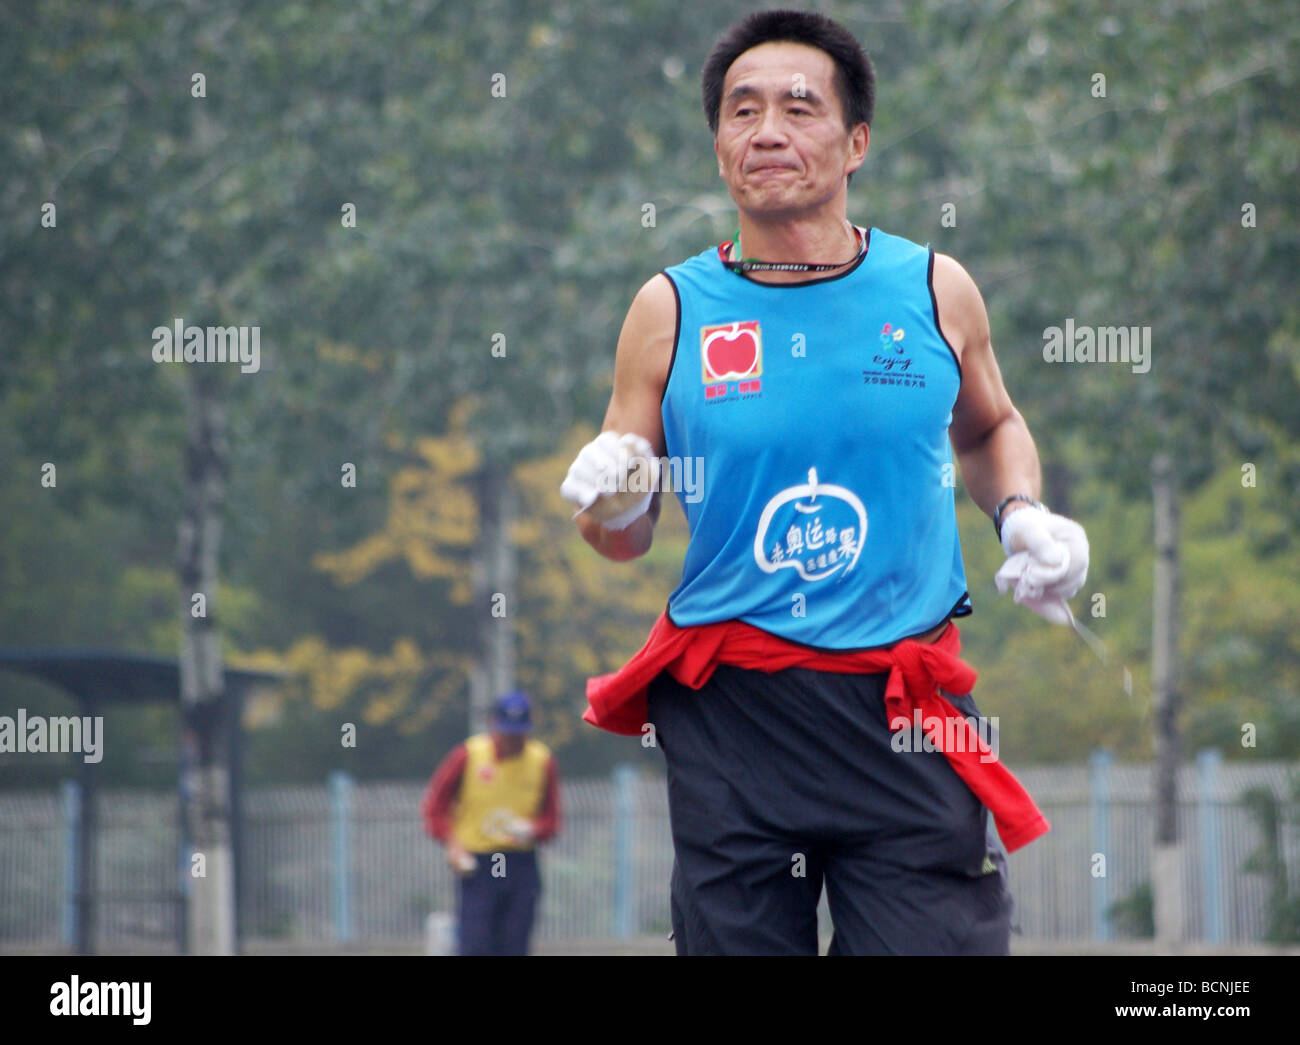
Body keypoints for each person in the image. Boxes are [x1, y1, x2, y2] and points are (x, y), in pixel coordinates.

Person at [560, 9, 1089, 955]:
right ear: (718, 143)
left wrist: (1023, 515)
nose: (766, 131)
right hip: (734, 712)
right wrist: (615, 498)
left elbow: (992, 426)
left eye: (798, 108)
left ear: (856, 143)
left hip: (908, 701)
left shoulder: (933, 288)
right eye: (740, 111)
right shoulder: (670, 309)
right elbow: (622, 529)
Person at [420, 691, 560, 955]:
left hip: (521, 864)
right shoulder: (468, 755)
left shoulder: (543, 761)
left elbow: (552, 822)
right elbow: (435, 807)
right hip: (478, 866)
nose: (513, 740)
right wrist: (453, 846)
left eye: (519, 733)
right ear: (494, 723)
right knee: (476, 943)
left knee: (515, 944)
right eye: (508, 732)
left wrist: (533, 830)